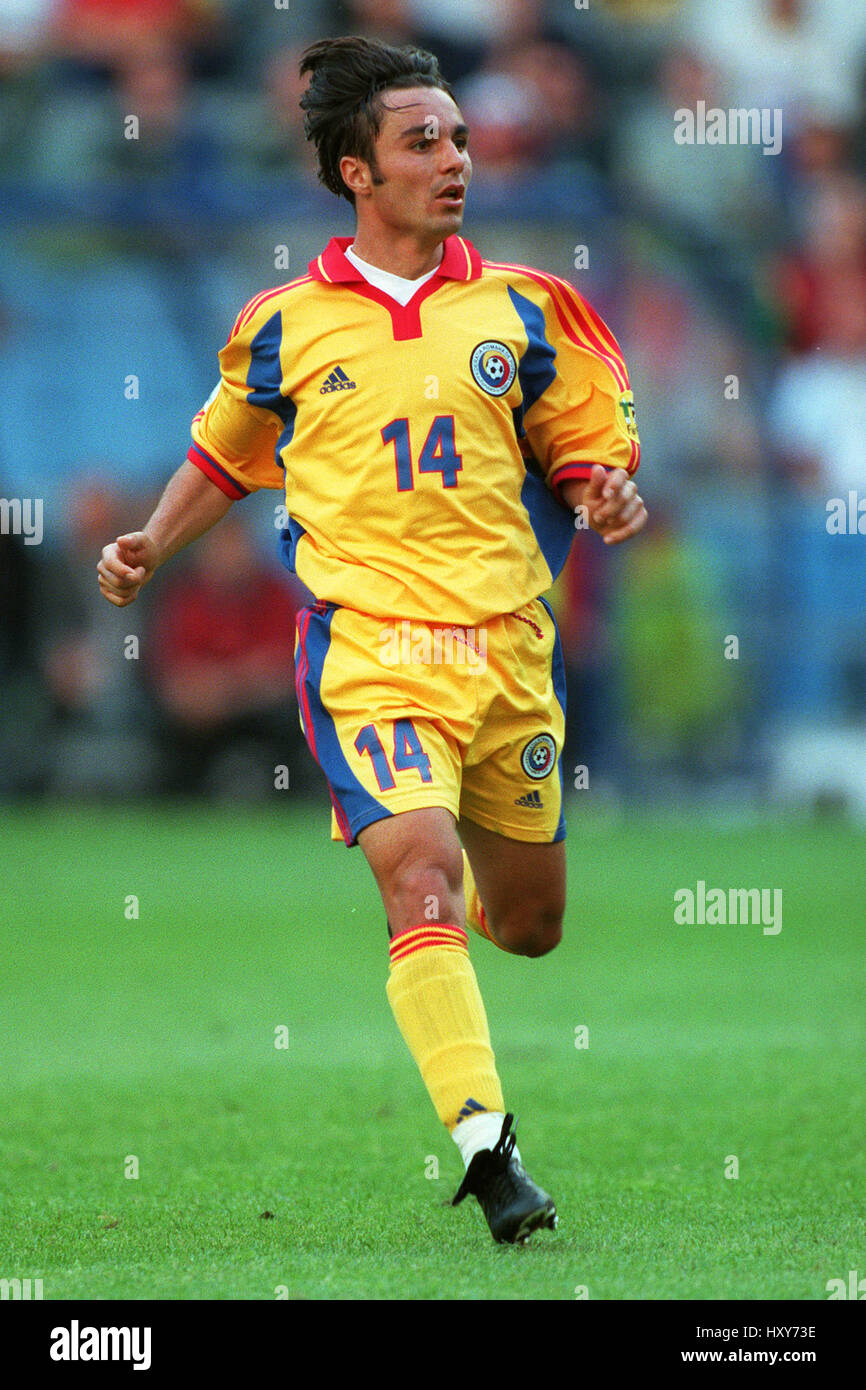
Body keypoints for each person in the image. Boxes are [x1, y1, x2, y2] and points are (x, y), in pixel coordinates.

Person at [97, 35, 647, 1245]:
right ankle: (489, 1155)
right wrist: (148, 541)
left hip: (507, 652)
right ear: (357, 170)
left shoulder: (529, 310)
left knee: (534, 926)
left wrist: (605, 490)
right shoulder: (285, 325)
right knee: (416, 872)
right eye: (423, 141)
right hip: (369, 653)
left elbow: (586, 449)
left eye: (456, 137)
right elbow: (220, 457)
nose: (455, 159)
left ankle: (448, 936)